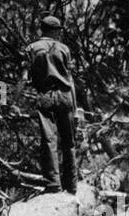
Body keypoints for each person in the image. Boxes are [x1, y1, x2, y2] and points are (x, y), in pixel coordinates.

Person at [16, 14, 81, 194]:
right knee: (69, 142)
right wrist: (75, 109)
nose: (59, 34)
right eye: (58, 31)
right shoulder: (64, 49)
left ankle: (53, 184)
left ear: (41, 30)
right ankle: (72, 186)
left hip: (45, 96)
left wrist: (13, 102)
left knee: (48, 140)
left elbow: (23, 78)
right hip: (66, 96)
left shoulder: (31, 48)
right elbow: (70, 79)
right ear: (53, 31)